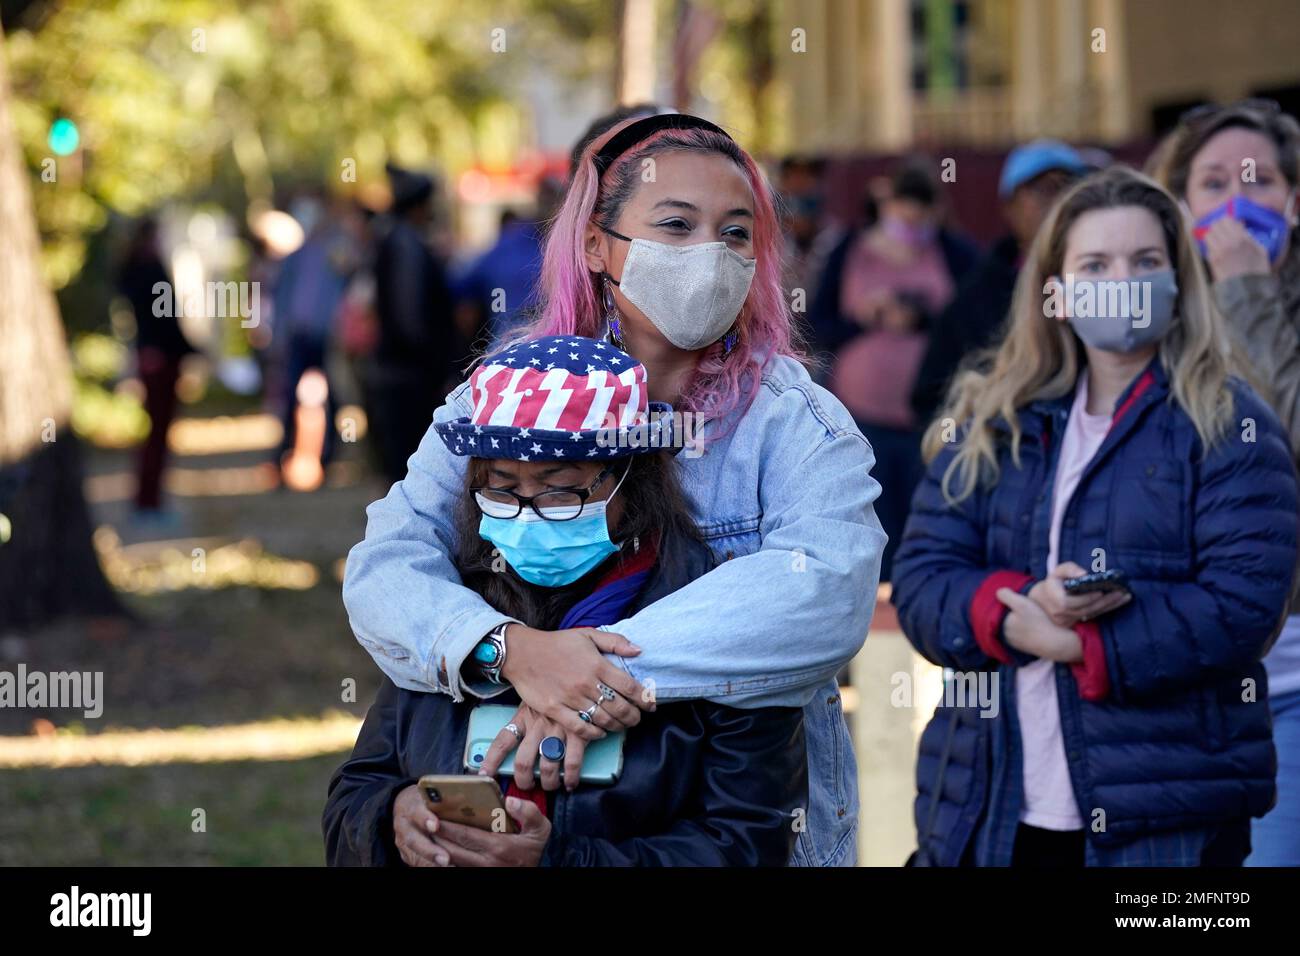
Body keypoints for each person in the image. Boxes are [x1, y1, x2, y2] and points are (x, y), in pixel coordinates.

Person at [342, 111, 886, 867]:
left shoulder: (794, 421)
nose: (711, 254)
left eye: (735, 233)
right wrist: (507, 650)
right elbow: (386, 565)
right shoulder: (500, 396)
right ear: (597, 245)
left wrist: (584, 672)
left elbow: (829, 590)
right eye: (675, 224)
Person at [892, 165, 1298, 866]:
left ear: (1179, 281)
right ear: (1055, 290)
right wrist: (1013, 612)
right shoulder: (992, 421)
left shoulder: (1230, 424)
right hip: (986, 814)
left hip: (1166, 827)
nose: (1123, 280)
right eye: (1096, 264)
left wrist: (1087, 646)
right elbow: (924, 581)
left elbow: (1243, 607)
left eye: (1145, 262)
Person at [324, 338, 807, 866]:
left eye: (560, 490)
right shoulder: (448, 604)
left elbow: (748, 841)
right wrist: (393, 817)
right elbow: (357, 790)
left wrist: (558, 861)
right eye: (502, 489)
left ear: (631, 478)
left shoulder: (719, 619)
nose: (527, 512)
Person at [1149, 98, 1300, 866]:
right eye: (1213, 183)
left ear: (1294, 202)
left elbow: (1284, 445)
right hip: (1169, 683)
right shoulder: (1141, 321)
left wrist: (1247, 289)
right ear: (1179, 206)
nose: (1237, 203)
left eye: (1260, 180)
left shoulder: (1273, 301)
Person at [810, 160, 978, 580]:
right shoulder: (850, 248)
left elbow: (976, 322)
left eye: (920, 217)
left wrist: (923, 320)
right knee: (870, 523)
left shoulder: (953, 252)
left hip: (934, 420)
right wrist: (866, 317)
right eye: (903, 215)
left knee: (928, 522)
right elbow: (816, 326)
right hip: (860, 420)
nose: (911, 226)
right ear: (886, 205)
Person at [911, 139, 1092, 425]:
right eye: (1043, 189)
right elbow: (931, 399)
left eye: (1068, 186)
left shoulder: (1102, 282)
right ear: (1010, 207)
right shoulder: (976, 296)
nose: (1058, 200)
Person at [368, 162, 459, 483]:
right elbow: (411, 319)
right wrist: (435, 364)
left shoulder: (398, 241)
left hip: (402, 372)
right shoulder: (407, 246)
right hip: (410, 377)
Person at [116, 216, 195, 518]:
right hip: (159, 358)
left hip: (161, 355)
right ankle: (148, 500)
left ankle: (150, 498)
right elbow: (158, 319)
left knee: (159, 431)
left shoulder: (141, 268)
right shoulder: (145, 269)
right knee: (157, 430)